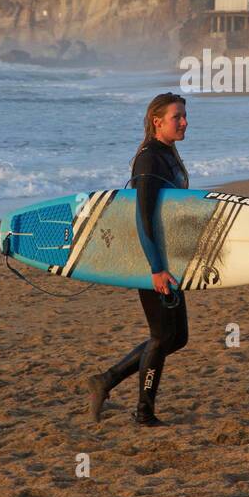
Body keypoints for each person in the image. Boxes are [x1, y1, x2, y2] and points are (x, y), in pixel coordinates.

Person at [86, 93, 190, 426]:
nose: (185, 122)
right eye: (178, 117)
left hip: (167, 260)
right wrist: (156, 269)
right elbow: (143, 216)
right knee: (162, 336)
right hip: (152, 262)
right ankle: (144, 412)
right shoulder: (149, 160)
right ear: (157, 121)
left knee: (177, 337)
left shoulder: (167, 154)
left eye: (185, 116)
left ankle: (107, 379)